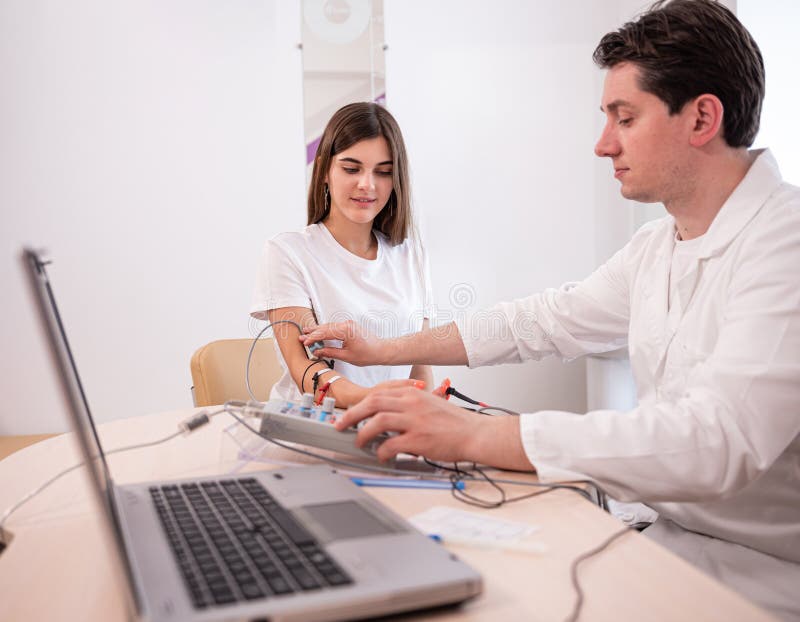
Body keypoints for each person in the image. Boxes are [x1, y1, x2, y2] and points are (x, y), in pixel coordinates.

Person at [300, 1, 800, 619]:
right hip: (666, 537)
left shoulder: (787, 245)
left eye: (625, 117)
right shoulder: (658, 246)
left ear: (701, 117)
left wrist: (479, 434)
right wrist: (382, 351)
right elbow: (537, 322)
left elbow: (716, 441)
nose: (602, 144)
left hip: (766, 577)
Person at [250, 102, 434, 407]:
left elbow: (420, 365)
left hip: (395, 425)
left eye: (384, 172)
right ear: (324, 170)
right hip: (317, 429)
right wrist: (374, 400)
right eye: (351, 168)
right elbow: (304, 369)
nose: (367, 184)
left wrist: (427, 413)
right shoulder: (286, 253)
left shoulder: (411, 256)